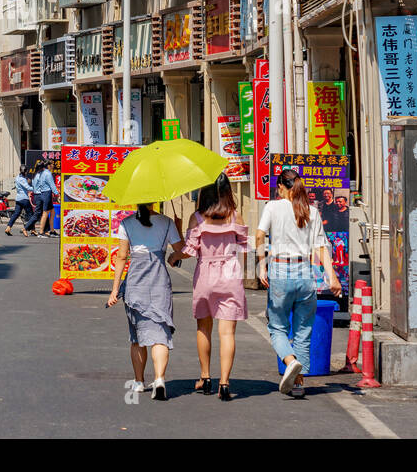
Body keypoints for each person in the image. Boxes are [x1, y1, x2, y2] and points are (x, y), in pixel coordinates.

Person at [255, 167, 340, 398]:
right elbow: (321, 247)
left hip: (280, 271)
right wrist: (332, 276)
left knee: (277, 327)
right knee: (303, 331)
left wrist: (262, 264)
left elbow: (260, 234)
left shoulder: (272, 207)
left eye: (279, 188)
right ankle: (299, 384)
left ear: (282, 187)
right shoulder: (311, 211)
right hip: (305, 274)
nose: (278, 192)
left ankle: (290, 361)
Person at [173, 173, 247, 401]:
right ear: (227, 192)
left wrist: (173, 255)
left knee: (203, 328)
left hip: (205, 274)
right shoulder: (236, 216)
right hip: (230, 275)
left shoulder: (197, 218)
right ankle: (224, 383)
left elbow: (188, 250)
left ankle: (205, 378)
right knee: (227, 332)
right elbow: (246, 246)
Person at [108, 203, 186, 401]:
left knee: (137, 336)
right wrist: (178, 225)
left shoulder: (126, 223)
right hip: (159, 279)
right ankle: (159, 379)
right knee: (160, 333)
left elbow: (122, 257)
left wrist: (115, 289)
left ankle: (139, 381)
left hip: (136, 280)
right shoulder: (167, 222)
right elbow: (181, 251)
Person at [5, 165, 35, 236]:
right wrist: (36, 189)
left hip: (18, 199)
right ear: (26, 171)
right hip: (24, 199)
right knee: (30, 215)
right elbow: (27, 187)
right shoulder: (22, 179)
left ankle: (8, 227)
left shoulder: (17, 177)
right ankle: (32, 230)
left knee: (16, 214)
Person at [31, 159, 57, 238]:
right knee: (45, 213)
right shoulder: (48, 174)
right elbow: (52, 185)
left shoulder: (41, 173)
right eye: (52, 164)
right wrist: (57, 193)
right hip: (47, 194)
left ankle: (52, 231)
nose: (53, 166)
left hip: (43, 193)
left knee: (52, 212)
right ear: (48, 165)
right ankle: (41, 232)